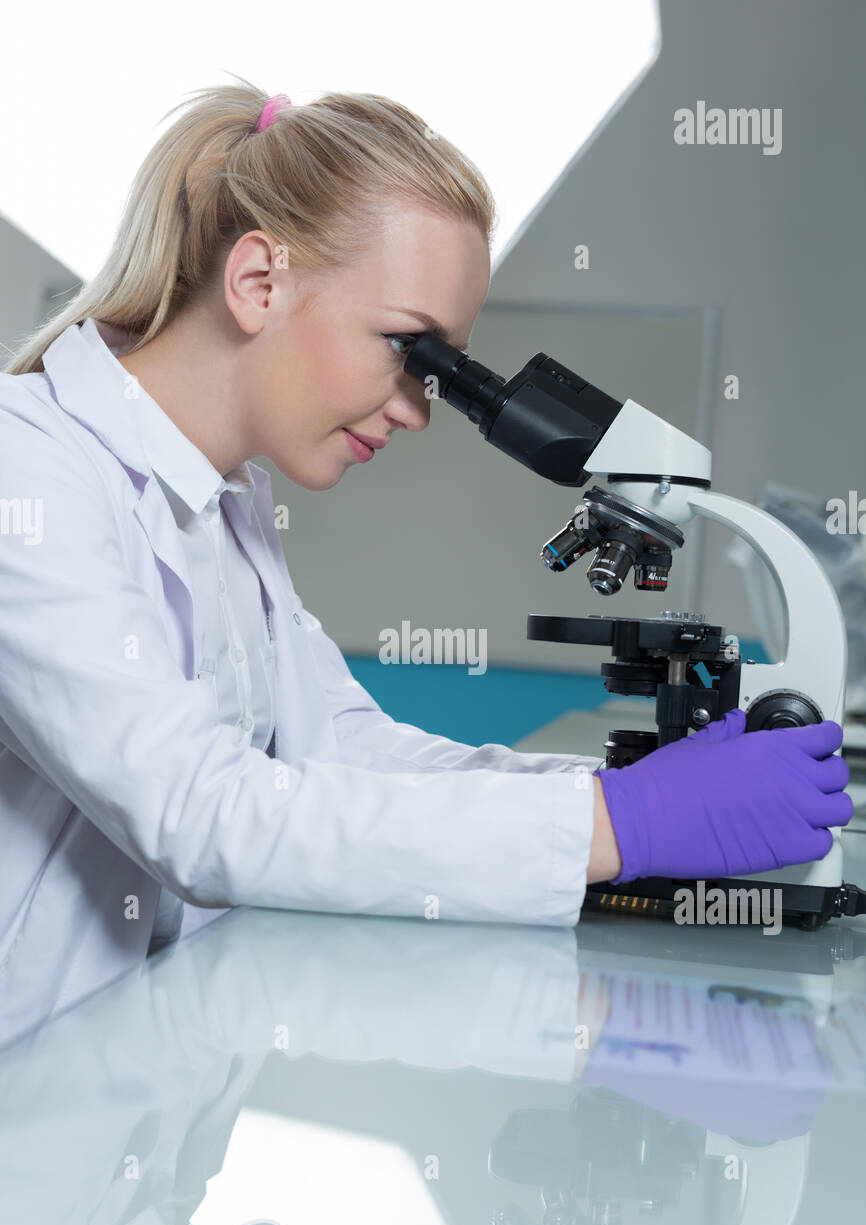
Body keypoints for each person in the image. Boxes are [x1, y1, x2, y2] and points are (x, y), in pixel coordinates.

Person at [0, 79, 852, 1022]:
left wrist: (619, 792)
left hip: (148, 1091)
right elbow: (206, 815)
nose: (416, 409)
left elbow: (348, 752)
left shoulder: (228, 498)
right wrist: (623, 827)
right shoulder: (26, 471)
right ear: (258, 283)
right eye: (409, 349)